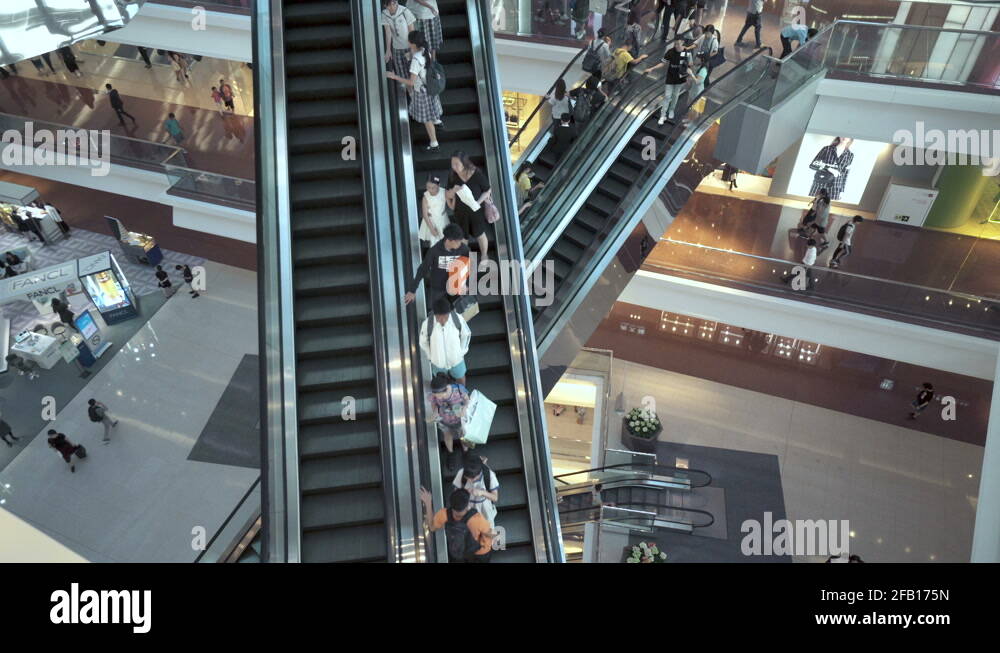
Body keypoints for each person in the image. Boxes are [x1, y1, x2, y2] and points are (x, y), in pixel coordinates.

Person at [386, 30, 443, 151]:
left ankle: (434, 143)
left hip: (422, 92)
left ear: (412, 44)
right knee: (432, 109)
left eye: (409, 40)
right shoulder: (424, 51)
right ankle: (437, 120)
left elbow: (411, 82)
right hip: (430, 86)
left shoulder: (416, 61)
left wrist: (394, 76)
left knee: (426, 119)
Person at [421, 487, 493, 562]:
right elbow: (489, 534)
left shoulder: (444, 515)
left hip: (458, 555)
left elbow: (432, 527)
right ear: (467, 505)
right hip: (480, 553)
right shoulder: (477, 519)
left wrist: (428, 502)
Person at [405, 223, 471, 306]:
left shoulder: (463, 249)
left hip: (456, 288)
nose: (460, 244)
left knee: (458, 315)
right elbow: (422, 269)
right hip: (439, 290)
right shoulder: (434, 252)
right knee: (439, 313)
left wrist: (467, 284)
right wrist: (412, 290)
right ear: (448, 240)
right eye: (457, 242)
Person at [447, 152, 492, 268]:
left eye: (457, 164)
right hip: (460, 213)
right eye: (452, 164)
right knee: (463, 237)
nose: (454, 167)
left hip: (475, 212)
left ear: (464, 163)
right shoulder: (453, 176)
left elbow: (487, 190)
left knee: (480, 234)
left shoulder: (476, 174)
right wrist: (454, 190)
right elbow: (448, 194)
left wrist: (478, 202)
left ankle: (484, 255)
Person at [420, 297, 472, 386]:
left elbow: (466, 334)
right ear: (434, 315)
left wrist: (461, 352)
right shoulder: (427, 323)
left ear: (449, 313)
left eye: (445, 317)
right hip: (438, 362)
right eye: (439, 318)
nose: (443, 320)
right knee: (442, 382)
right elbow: (423, 342)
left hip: (456, 359)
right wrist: (430, 356)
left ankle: (462, 394)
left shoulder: (457, 319)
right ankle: (447, 396)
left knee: (460, 377)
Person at [427, 373, 471, 472]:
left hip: (460, 418)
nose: (439, 398)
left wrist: (465, 407)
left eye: (440, 396)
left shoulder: (459, 390)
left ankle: (466, 452)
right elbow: (433, 404)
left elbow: (468, 400)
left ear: (446, 388)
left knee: (463, 434)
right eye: (436, 395)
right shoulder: (434, 395)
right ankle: (450, 453)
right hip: (444, 418)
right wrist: (435, 413)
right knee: (447, 434)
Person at [645, 38, 689, 123]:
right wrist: (652, 68)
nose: (676, 46)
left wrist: (689, 77)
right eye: (675, 44)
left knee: (675, 95)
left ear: (683, 43)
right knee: (667, 96)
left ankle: (671, 110)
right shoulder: (670, 52)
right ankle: (663, 115)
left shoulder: (686, 52)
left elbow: (689, 65)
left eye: (678, 44)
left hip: (680, 78)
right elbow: (663, 63)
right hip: (671, 77)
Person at [453, 453, 499, 529]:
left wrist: (482, 492)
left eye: (473, 478)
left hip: (484, 507)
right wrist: (463, 493)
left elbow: (495, 497)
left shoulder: (489, 475)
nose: (471, 481)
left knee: (488, 527)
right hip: (468, 506)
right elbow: (456, 492)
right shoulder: (461, 473)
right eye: (468, 478)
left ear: (479, 473)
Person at [809, 137, 854, 201]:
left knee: (829, 208)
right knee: (813, 204)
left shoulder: (850, 155)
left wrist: (842, 191)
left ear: (850, 139)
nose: (845, 137)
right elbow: (813, 164)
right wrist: (829, 168)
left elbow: (845, 174)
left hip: (836, 187)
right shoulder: (827, 149)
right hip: (820, 183)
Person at [381, 0, 416, 80]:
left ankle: (416, 91)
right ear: (385, 6)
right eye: (389, 5)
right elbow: (388, 32)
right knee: (402, 75)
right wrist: (388, 50)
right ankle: (409, 92)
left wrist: (412, 49)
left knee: (413, 73)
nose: (393, 7)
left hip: (409, 47)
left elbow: (412, 31)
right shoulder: (384, 14)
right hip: (397, 49)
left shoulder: (404, 11)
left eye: (394, 3)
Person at [419, 174, 450, 246]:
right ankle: (436, 256)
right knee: (434, 241)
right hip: (431, 220)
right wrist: (432, 229)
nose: (430, 190)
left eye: (433, 187)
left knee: (446, 239)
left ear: (439, 185)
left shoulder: (443, 192)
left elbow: (450, 205)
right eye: (428, 187)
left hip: (442, 219)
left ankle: (445, 255)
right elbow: (425, 214)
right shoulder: (426, 197)